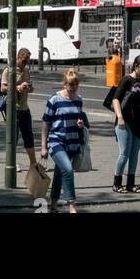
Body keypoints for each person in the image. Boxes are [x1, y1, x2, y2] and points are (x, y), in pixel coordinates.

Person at [41, 68, 89, 214]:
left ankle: (53, 203)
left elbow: (82, 120)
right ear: (64, 83)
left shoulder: (79, 100)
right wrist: (43, 147)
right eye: (70, 84)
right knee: (67, 170)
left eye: (75, 85)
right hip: (56, 141)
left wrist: (81, 124)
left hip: (72, 142)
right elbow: (45, 124)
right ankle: (71, 205)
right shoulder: (54, 100)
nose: (72, 87)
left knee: (59, 173)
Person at [111, 54, 140, 193]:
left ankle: (130, 184)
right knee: (124, 154)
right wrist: (119, 117)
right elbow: (115, 99)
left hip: (138, 122)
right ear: (137, 66)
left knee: (134, 155)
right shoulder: (126, 80)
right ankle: (116, 183)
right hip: (125, 121)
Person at [0, 48, 36, 179]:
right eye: (24, 61)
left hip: (25, 108)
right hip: (12, 109)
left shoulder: (26, 70)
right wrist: (18, 87)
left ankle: (33, 163)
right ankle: (13, 162)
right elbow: (3, 88)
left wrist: (29, 88)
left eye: (28, 61)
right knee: (13, 138)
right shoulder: (8, 70)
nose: (26, 63)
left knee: (28, 136)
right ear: (18, 58)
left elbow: (30, 88)